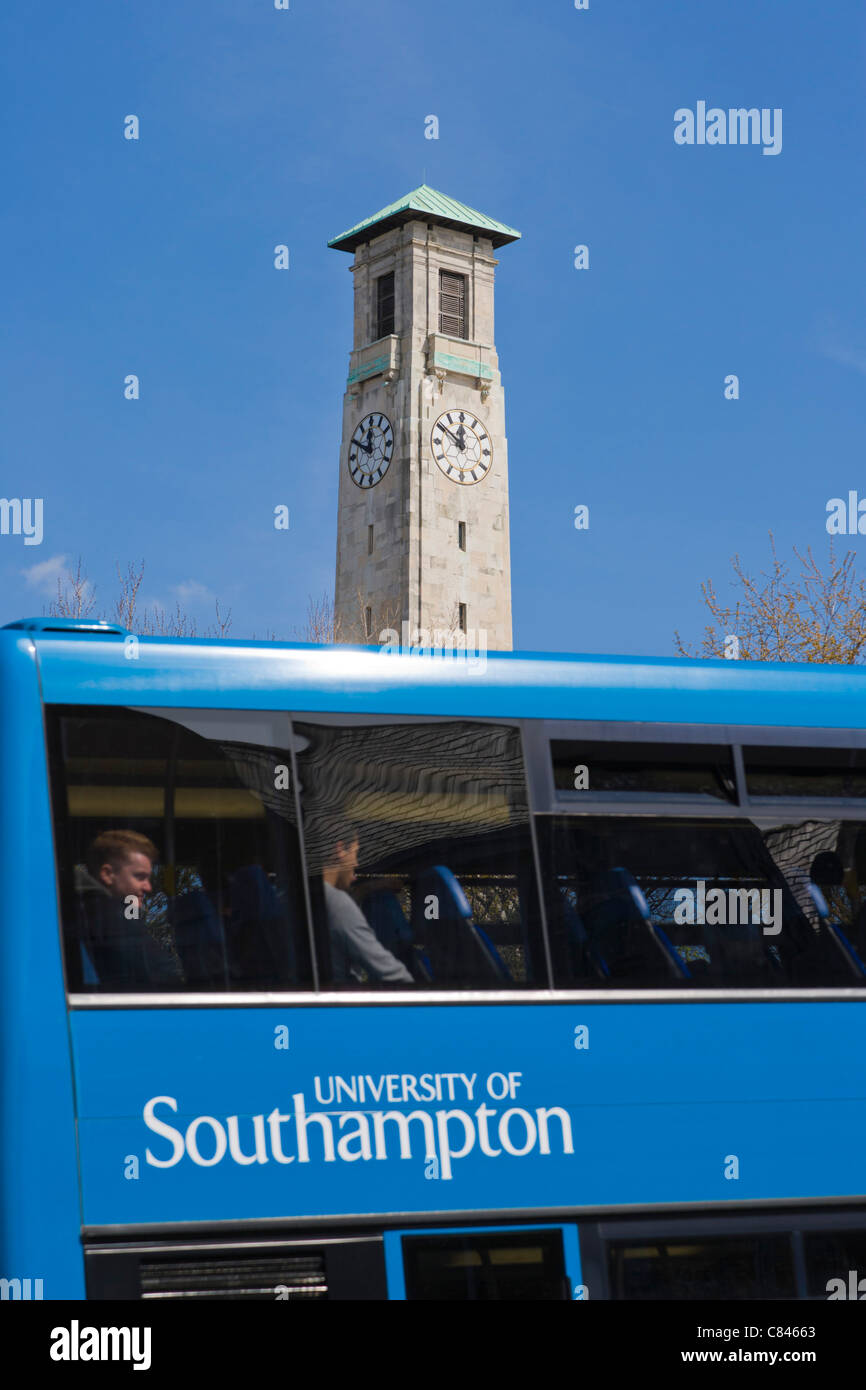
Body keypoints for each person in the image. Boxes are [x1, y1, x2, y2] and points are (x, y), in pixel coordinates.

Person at [73, 830, 181, 988]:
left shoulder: (84, 911)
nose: (148, 887)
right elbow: (162, 975)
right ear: (108, 874)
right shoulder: (116, 917)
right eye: (140, 877)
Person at [320, 826, 413, 984]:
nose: (356, 862)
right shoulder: (336, 903)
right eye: (356, 852)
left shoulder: (298, 896)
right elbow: (391, 973)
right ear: (340, 849)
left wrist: (369, 888)